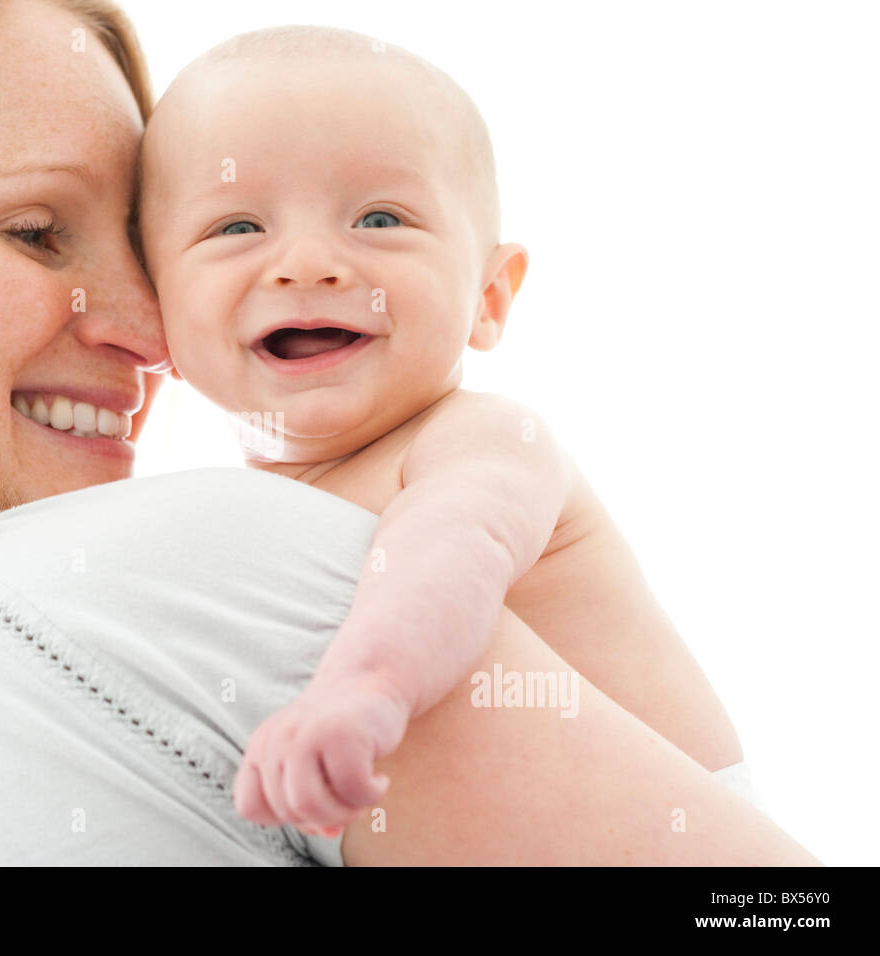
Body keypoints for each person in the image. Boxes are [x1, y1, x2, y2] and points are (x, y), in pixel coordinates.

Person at [0, 0, 817, 865]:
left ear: (492, 288)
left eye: (139, 242)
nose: (148, 325)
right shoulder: (213, 572)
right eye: (34, 233)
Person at [136, 26, 763, 839]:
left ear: (490, 297)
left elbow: (446, 552)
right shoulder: (236, 510)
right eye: (236, 228)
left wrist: (364, 690)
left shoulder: (479, 440)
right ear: (156, 312)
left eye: (378, 217)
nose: (308, 263)